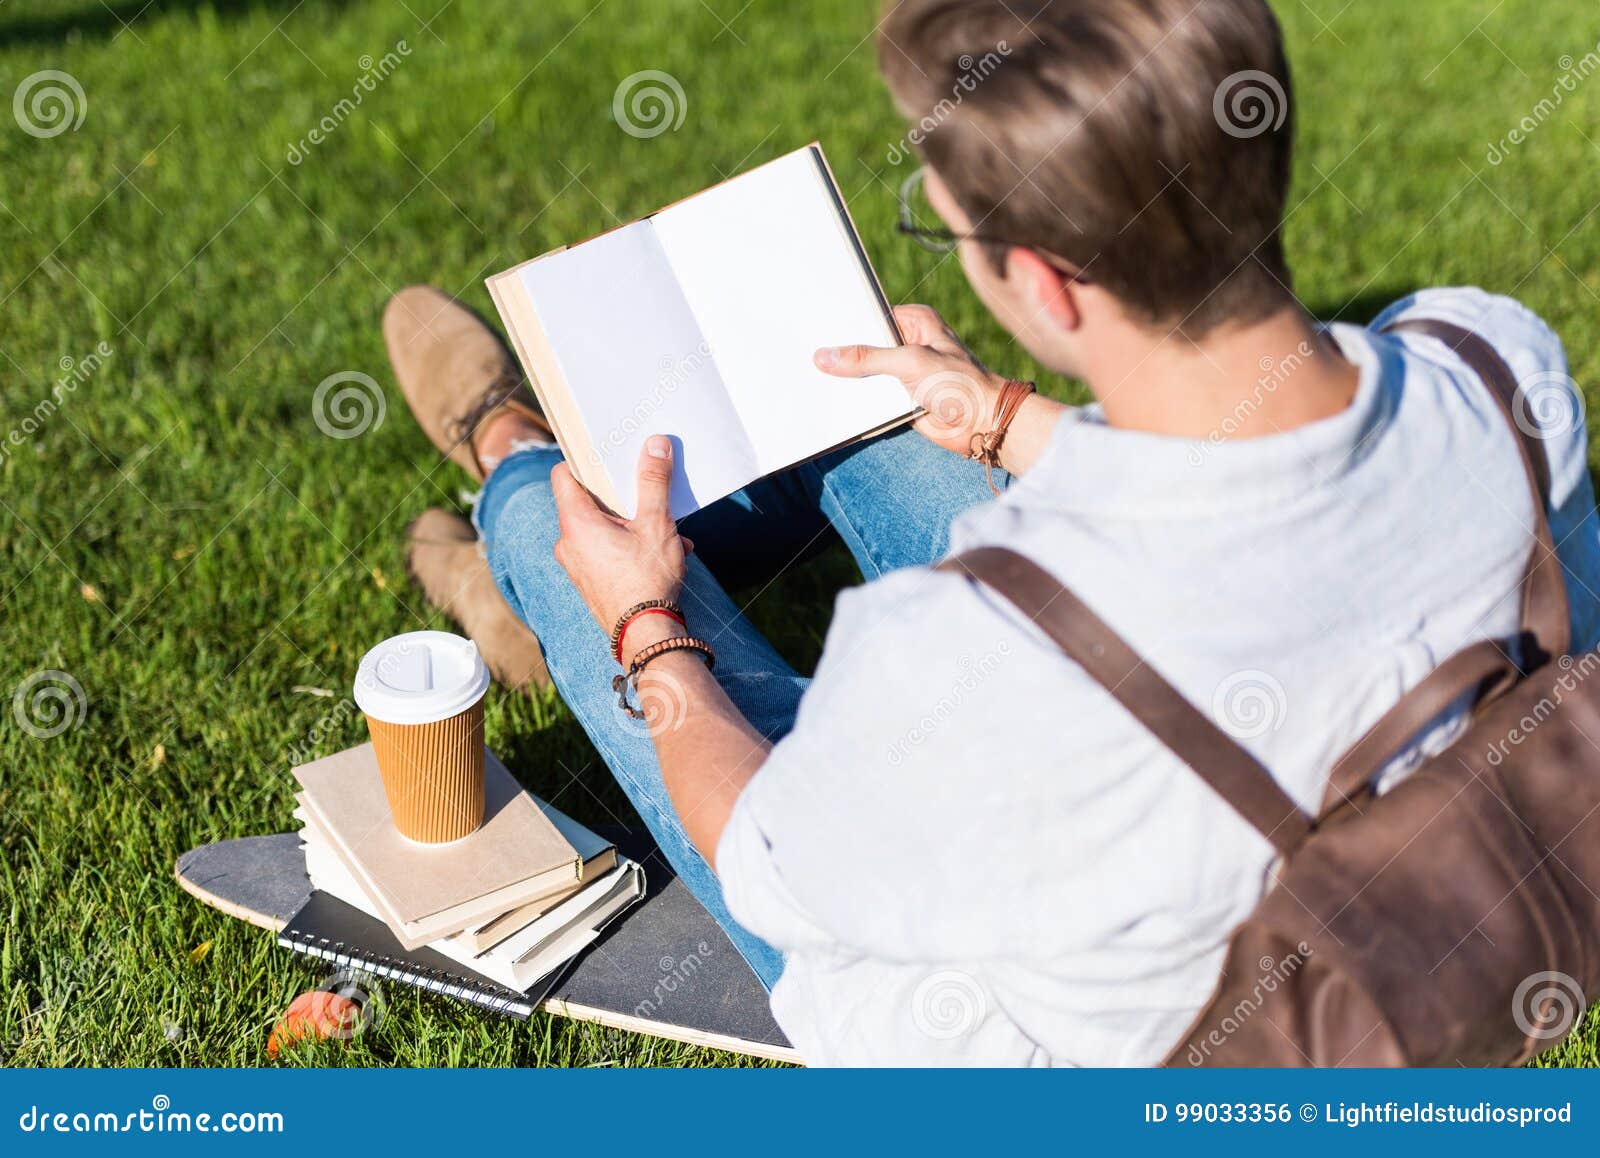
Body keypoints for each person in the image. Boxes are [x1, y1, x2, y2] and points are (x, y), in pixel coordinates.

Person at [386, 0, 1600, 1064]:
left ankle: (504, 457)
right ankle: (545, 537)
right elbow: (1260, 502)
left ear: (1045, 284)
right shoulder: (1494, 363)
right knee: (898, 425)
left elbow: (757, 849)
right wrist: (1011, 419)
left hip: (1009, 1035)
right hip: (1288, 840)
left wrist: (644, 626)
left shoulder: (977, 638)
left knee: (575, 523)